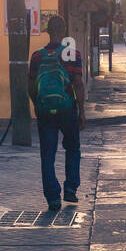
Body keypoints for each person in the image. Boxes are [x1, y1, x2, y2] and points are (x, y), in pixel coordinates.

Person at [28, 15, 86, 210]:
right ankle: (70, 189)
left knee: (48, 154)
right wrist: (82, 112)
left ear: (48, 31)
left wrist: (37, 103)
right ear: (64, 31)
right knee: (72, 148)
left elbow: (31, 84)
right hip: (68, 109)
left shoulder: (37, 56)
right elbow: (78, 84)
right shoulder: (73, 55)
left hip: (45, 111)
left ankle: (53, 198)